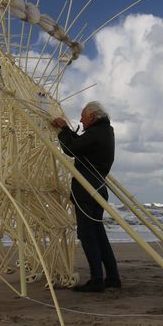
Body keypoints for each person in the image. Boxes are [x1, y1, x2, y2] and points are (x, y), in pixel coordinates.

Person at [51, 101, 120, 293]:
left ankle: (97, 279)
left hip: (86, 190)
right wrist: (68, 133)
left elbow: (70, 149)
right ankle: (113, 277)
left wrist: (64, 128)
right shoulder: (105, 131)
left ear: (92, 116)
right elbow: (80, 146)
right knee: (99, 235)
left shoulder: (97, 133)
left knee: (88, 235)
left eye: (83, 116)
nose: (80, 119)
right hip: (97, 189)